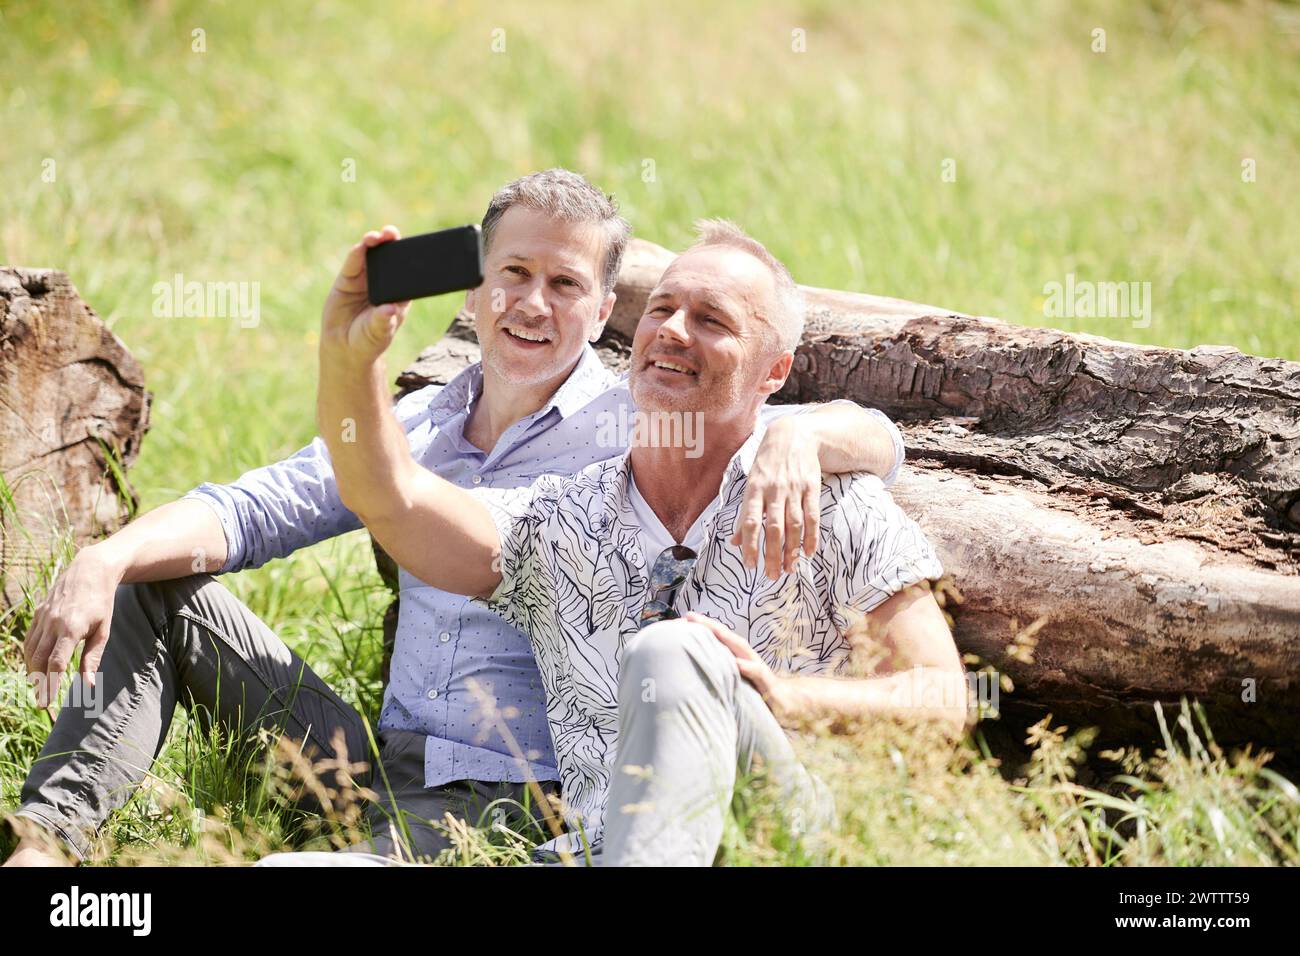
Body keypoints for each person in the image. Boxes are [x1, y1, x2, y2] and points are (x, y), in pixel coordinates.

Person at [5, 171, 904, 866]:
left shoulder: (639, 428)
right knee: (150, 582)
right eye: (513, 273)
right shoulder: (421, 424)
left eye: (565, 283)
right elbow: (262, 507)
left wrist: (814, 432)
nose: (534, 303)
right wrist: (106, 557)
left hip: (517, 786)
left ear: (602, 313)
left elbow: (809, 425)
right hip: (369, 760)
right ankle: (46, 844)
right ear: (474, 292)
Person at [313, 217, 969, 866]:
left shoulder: (834, 503)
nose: (674, 331)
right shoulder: (561, 520)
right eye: (661, 310)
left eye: (712, 320)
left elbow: (943, 699)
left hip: (772, 841)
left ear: (775, 372)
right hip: (583, 852)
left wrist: (782, 696)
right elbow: (390, 498)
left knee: (678, 650)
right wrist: (349, 356)